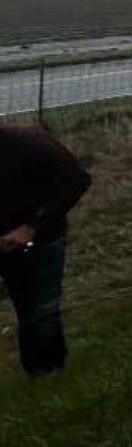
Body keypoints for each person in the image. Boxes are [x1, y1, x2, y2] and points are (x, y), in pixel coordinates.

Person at [0, 124, 92, 376]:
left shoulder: (27, 143)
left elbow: (79, 179)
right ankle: (38, 376)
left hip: (41, 241)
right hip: (5, 246)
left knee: (42, 312)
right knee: (26, 313)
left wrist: (31, 227)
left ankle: (52, 374)